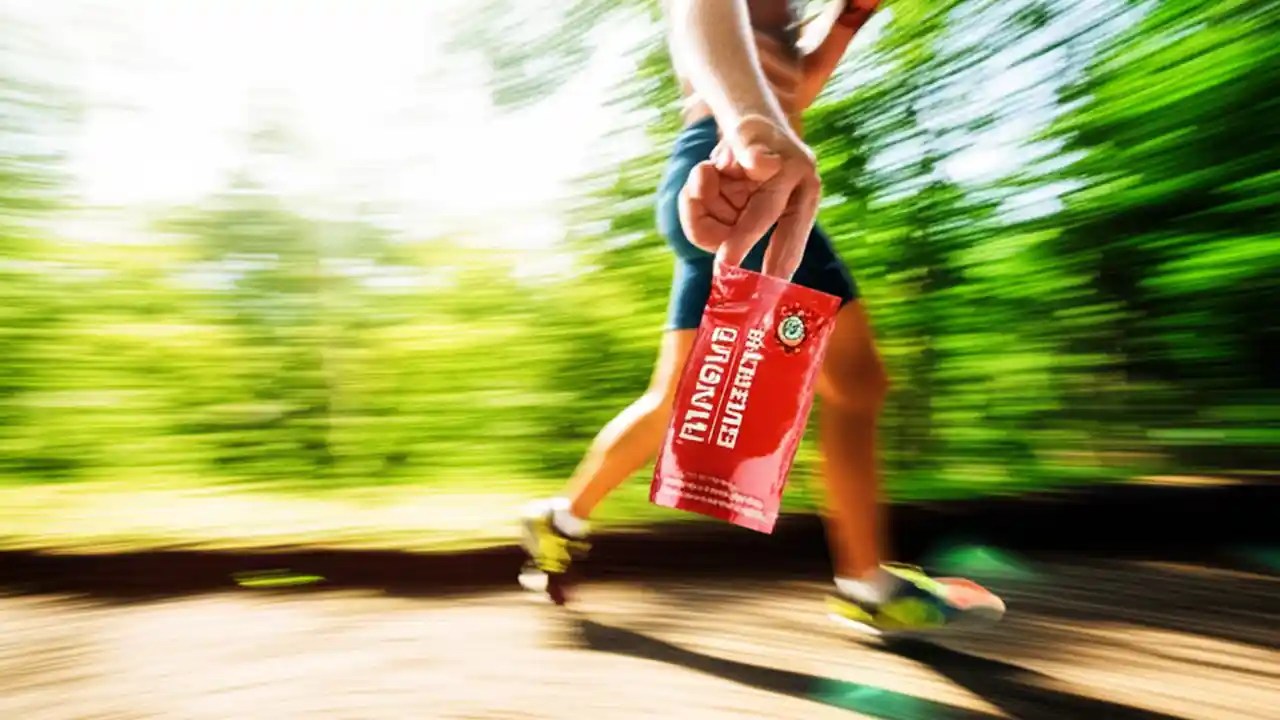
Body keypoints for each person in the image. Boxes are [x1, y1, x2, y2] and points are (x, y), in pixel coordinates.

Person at [521, 0, 1005, 634]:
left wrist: (849, 22)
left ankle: (560, 517)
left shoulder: (783, 16)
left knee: (674, 397)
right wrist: (751, 120)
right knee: (855, 383)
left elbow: (793, 89)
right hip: (735, 163)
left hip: (716, 166)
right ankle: (867, 583)